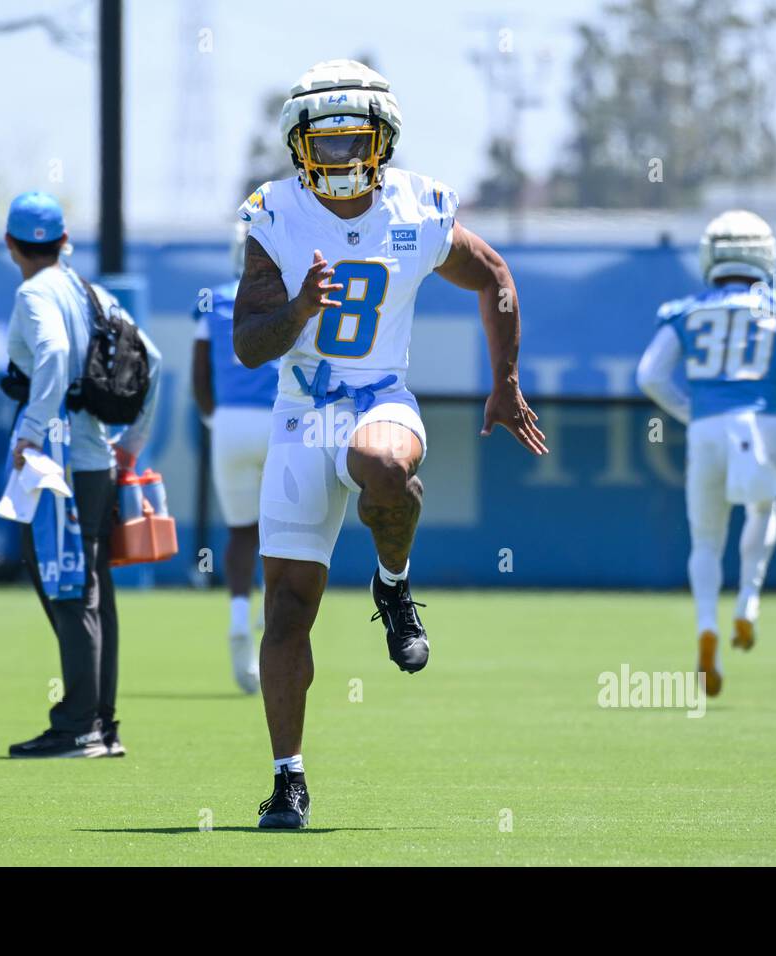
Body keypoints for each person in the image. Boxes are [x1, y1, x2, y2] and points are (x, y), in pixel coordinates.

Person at [234, 60, 547, 828]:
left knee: (383, 465)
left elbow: (494, 276)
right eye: (326, 142)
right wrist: (300, 310)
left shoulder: (418, 206)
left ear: (384, 140)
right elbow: (247, 345)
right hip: (302, 412)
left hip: (378, 398)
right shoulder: (275, 214)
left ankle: (393, 585)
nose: (341, 157)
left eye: (355, 141)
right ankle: (288, 779)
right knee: (287, 611)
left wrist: (505, 382)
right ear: (299, 146)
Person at [636, 209, 776, 697]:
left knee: (705, 541)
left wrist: (691, 411)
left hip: (706, 430)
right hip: (762, 423)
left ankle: (706, 627)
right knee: (762, 510)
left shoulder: (686, 310)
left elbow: (649, 374)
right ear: (766, 255)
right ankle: (747, 605)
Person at [3, 190, 138, 759]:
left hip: (57, 465)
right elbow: (150, 359)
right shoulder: (94, 292)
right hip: (97, 460)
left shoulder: (34, 292)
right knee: (92, 585)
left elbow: (55, 353)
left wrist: (33, 430)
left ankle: (79, 725)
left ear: (11, 245)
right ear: (63, 241)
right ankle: (102, 724)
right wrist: (130, 445)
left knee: (67, 584)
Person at [191, 223, 278, 694]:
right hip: (281, 422)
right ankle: (272, 621)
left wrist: (216, 420)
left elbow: (199, 377)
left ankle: (239, 616)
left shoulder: (213, 301)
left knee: (242, 531)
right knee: (283, 533)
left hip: (230, 424)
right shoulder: (288, 292)